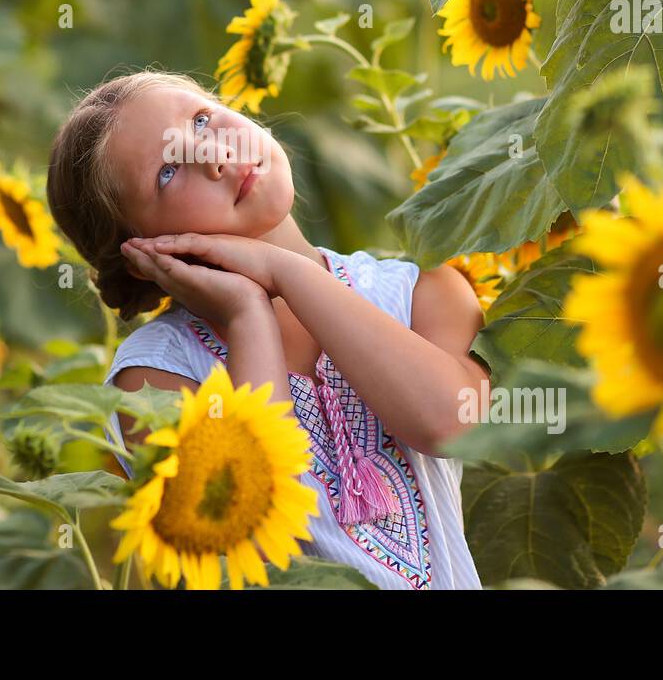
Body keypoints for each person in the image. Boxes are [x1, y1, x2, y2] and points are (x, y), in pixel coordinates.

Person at [47, 70, 488, 589]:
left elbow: (451, 424)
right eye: (167, 172)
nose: (212, 155)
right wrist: (247, 315)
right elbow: (244, 554)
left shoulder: (421, 293)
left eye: (202, 119)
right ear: (146, 256)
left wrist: (287, 273)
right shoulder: (155, 380)